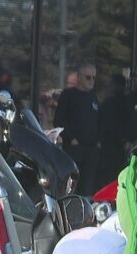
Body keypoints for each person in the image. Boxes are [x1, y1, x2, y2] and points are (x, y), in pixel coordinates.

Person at [54, 63, 101, 195]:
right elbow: (59, 121)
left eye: (94, 78)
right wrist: (71, 138)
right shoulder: (68, 95)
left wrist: (98, 141)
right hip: (74, 148)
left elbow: (98, 120)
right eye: (88, 77)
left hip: (91, 149)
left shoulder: (93, 96)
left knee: (88, 184)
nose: (91, 81)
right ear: (79, 77)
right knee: (71, 183)